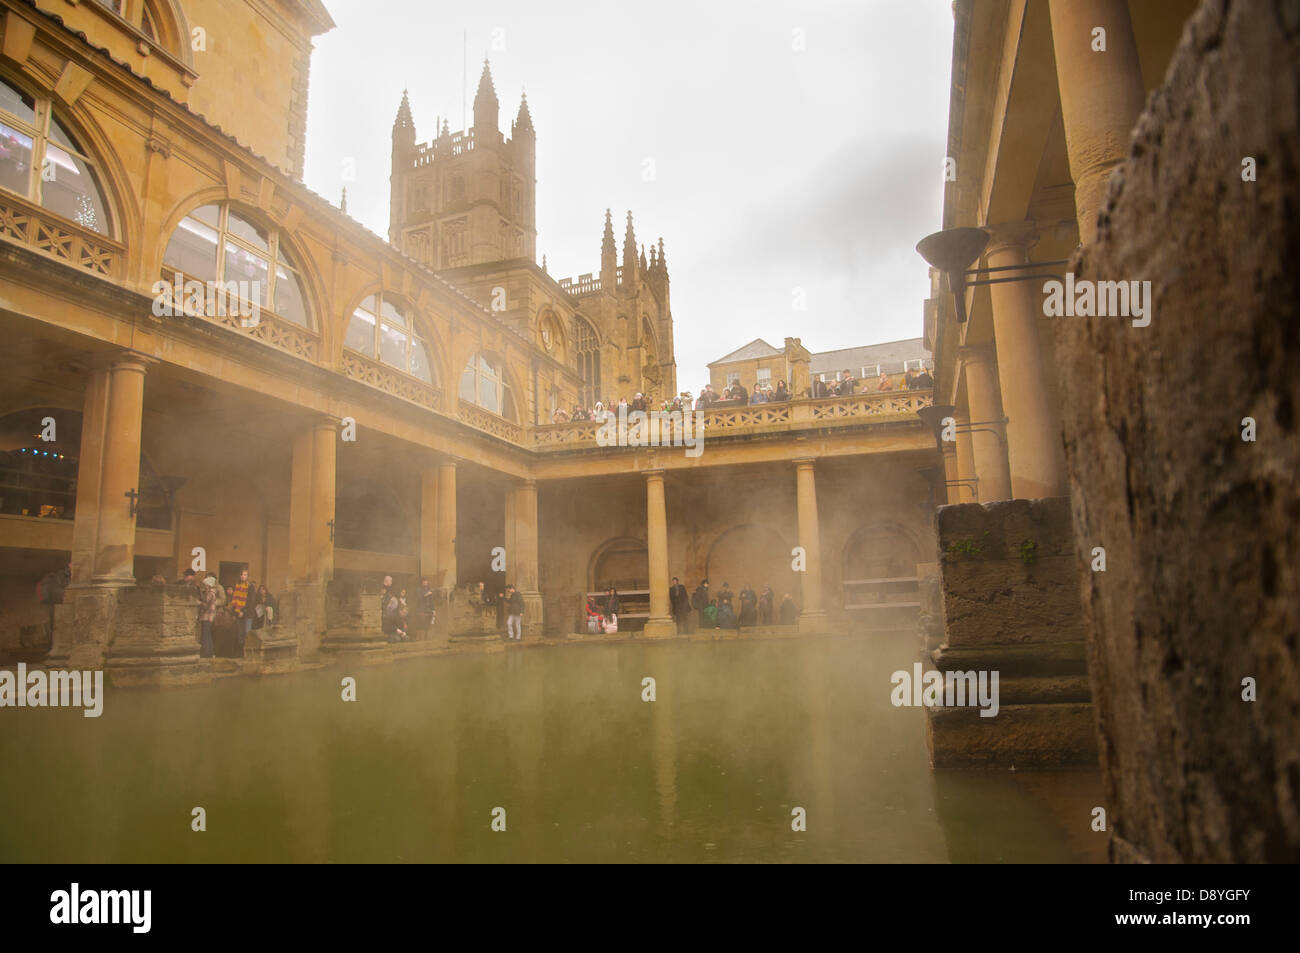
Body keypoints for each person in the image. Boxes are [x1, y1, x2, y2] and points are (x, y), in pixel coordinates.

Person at [37, 562, 71, 639]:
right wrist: (68, 594)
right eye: (72, 563)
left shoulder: (74, 575)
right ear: (69, 565)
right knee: (56, 628)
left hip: (67, 606)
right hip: (58, 606)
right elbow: (54, 590)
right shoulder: (60, 575)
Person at [198, 575, 220, 658]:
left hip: (207, 616)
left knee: (205, 634)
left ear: (208, 585)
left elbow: (206, 606)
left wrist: (199, 602)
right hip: (210, 616)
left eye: (205, 584)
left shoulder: (209, 594)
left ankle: (206, 652)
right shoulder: (213, 593)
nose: (204, 586)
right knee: (208, 634)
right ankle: (210, 652)